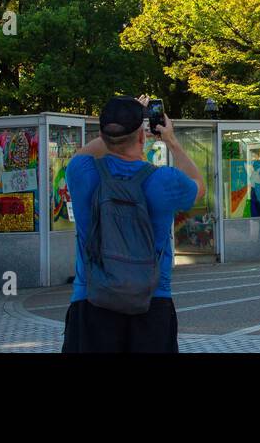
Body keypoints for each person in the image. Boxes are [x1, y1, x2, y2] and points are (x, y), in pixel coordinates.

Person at [62, 96, 204, 353]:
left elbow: (88, 152)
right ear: (142, 136)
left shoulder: (81, 172)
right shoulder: (164, 180)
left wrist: (122, 123)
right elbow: (199, 186)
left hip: (91, 300)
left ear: (103, 136)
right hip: (152, 303)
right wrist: (171, 141)